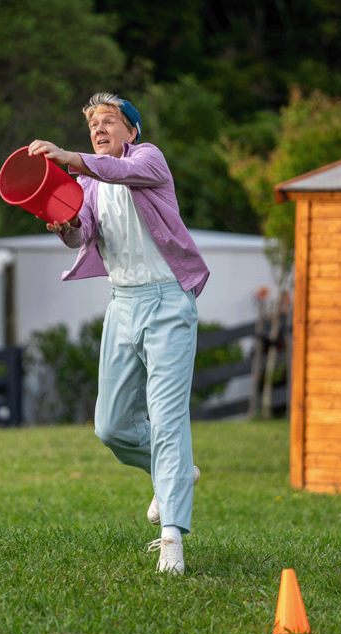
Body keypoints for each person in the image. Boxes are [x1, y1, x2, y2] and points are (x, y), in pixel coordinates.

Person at [28, 93, 209, 575]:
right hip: (122, 305)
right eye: (92, 125)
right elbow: (80, 232)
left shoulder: (148, 160)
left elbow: (119, 172)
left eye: (109, 122)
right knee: (109, 426)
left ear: (131, 130)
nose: (99, 129)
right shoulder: (88, 185)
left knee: (167, 418)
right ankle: (176, 473)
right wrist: (62, 223)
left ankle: (172, 538)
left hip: (169, 301)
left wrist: (70, 160)